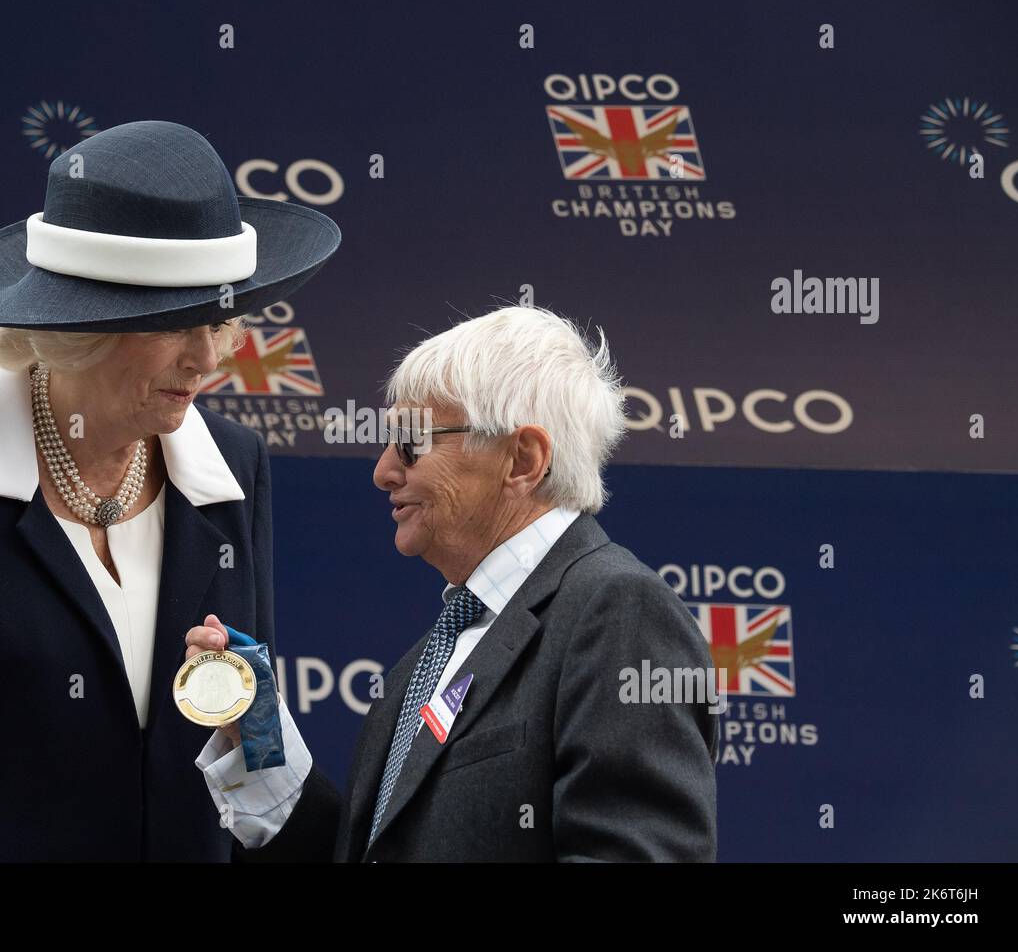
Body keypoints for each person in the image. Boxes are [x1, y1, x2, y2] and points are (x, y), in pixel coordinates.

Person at [0, 120, 340, 861]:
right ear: (80, 328)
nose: (207, 358)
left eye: (219, 319)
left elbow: (253, 727)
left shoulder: (233, 464)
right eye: (177, 322)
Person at [187, 306, 719, 861]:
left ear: (522, 459)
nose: (383, 471)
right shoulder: (428, 660)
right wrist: (260, 743)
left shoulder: (619, 612)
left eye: (412, 443)